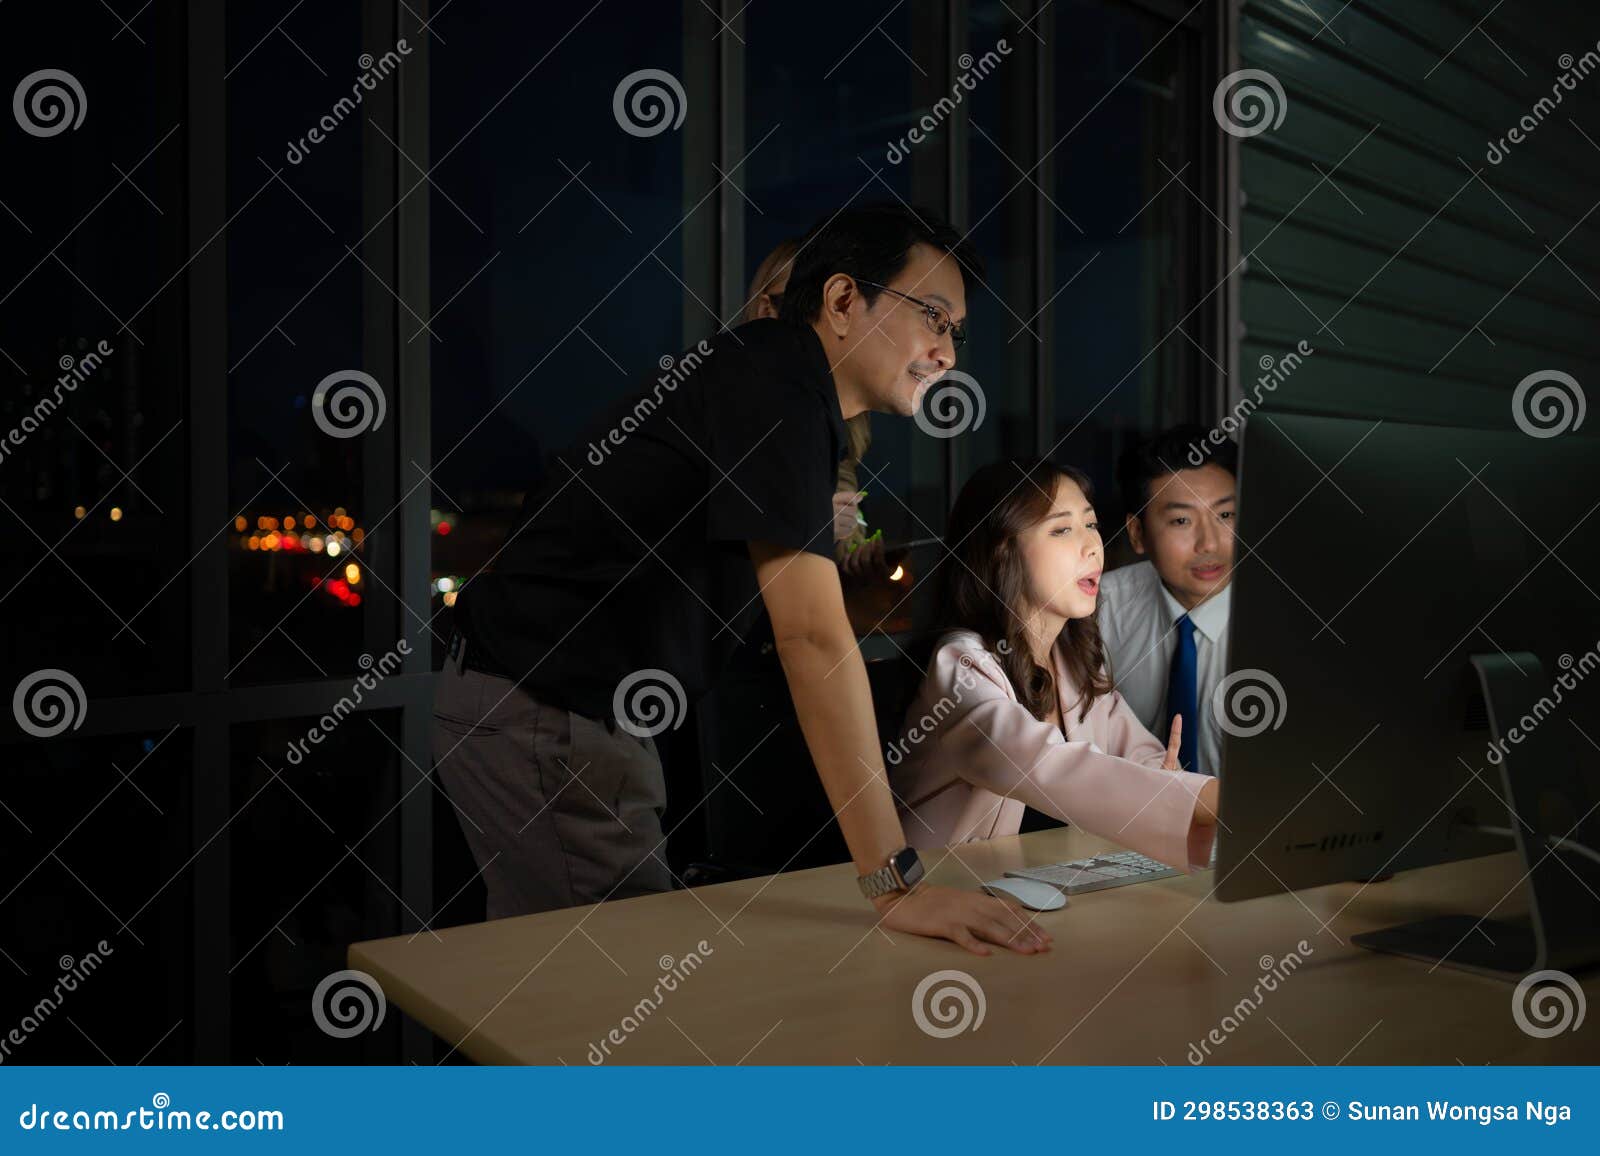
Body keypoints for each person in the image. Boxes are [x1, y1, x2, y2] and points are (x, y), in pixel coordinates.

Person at [436, 202, 1051, 957]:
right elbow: (813, 639)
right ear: (842, 300)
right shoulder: (776, 383)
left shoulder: (774, 384)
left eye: (955, 330)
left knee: (555, 990)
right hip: (547, 709)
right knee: (616, 1000)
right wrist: (895, 884)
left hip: (554, 706)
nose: (947, 351)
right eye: (932, 315)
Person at [890, 458, 1218, 866]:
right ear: (1001, 550)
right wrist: (1212, 800)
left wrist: (1168, 782)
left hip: (1026, 895)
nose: (1092, 546)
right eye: (1062, 529)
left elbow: (1140, 758)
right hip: (937, 898)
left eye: (1092, 525)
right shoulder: (960, 664)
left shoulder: (1074, 662)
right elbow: (1042, 765)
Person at [1097, 425, 1236, 778]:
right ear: (1137, 534)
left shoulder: (1292, 619)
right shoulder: (1101, 609)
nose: (1209, 544)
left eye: (1226, 515)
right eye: (1181, 520)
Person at [744, 238, 886, 582]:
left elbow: (843, 508)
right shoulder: (736, 402)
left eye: (842, 309)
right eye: (807, 311)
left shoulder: (842, 417)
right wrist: (812, 524)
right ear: (768, 310)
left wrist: (852, 551)